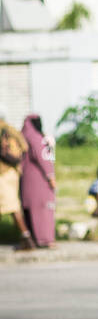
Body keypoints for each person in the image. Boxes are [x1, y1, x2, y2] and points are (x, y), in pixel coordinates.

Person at [0, 107, 35, 251]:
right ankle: (26, 239)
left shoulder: (2, 131)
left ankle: (27, 239)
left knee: (11, 207)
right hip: (13, 172)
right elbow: (25, 148)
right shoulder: (12, 130)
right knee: (10, 205)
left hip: (4, 173)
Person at [19, 115, 56, 248]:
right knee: (43, 209)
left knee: (30, 210)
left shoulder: (23, 135)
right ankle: (46, 239)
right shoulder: (35, 137)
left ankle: (33, 239)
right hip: (38, 181)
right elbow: (43, 158)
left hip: (25, 181)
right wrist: (50, 176)